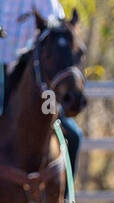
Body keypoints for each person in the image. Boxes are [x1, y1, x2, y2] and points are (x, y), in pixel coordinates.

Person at [0, 0, 82, 178]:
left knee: (73, 136)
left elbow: (57, 31)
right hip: (2, 72)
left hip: (31, 79)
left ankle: (66, 201)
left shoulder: (45, 2)